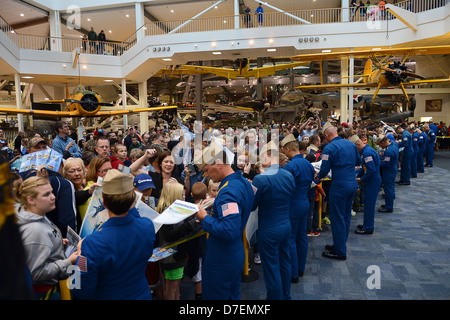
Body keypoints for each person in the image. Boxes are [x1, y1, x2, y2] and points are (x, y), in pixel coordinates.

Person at [72, 169, 155, 300]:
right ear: (133, 200)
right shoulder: (146, 226)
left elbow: (79, 288)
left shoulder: (91, 244)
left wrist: (80, 257)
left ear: (104, 203)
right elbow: (135, 217)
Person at [193, 140, 254, 300]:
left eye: (206, 170)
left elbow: (229, 230)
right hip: (234, 254)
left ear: (218, 163)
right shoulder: (241, 182)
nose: (206, 175)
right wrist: (215, 204)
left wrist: (204, 217)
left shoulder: (228, 192)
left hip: (222, 257)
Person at [14, 176, 80, 300]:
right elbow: (37, 274)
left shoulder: (36, 213)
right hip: (45, 293)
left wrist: (56, 243)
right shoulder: (35, 230)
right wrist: (68, 262)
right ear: (31, 200)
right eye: (46, 194)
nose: (53, 197)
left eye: (52, 191)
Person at [252, 141, 295, 299]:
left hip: (269, 228)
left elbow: (251, 205)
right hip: (285, 224)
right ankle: (286, 296)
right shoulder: (288, 175)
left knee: (271, 268)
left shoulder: (260, 179)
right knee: (284, 263)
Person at [317, 122, 361, 260]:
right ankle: (340, 244)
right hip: (351, 184)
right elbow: (358, 162)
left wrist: (317, 177)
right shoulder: (351, 144)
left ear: (326, 135)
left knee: (337, 218)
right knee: (346, 216)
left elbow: (324, 169)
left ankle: (340, 251)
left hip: (339, 186)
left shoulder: (329, 149)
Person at [19, 137, 77, 238]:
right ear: (28, 151)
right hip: (27, 233)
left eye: (44, 147)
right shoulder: (19, 178)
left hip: (54, 237)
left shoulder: (58, 178)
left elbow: (66, 220)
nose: (42, 151)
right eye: (37, 148)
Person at [156, 181, 200, 300]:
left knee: (175, 287)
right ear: (173, 195)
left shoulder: (170, 211)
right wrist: (191, 224)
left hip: (175, 256)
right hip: (172, 257)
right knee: (172, 288)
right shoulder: (167, 213)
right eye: (181, 195)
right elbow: (170, 235)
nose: (184, 197)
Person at [281, 134, 314, 281]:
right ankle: (300, 269)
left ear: (288, 149)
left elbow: (284, 188)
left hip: (293, 204)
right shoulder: (307, 163)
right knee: (302, 238)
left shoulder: (289, 166)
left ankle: (293, 273)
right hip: (304, 202)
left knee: (290, 239)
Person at [351, 135, 381, 234]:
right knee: (368, 205)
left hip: (372, 181)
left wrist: (361, 179)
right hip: (371, 180)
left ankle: (368, 228)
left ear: (358, 144)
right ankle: (366, 224)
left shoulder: (367, 153)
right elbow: (364, 167)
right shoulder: (366, 151)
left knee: (369, 205)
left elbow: (371, 170)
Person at [62, 158, 100, 228]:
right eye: (72, 171)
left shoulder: (84, 186)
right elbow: (76, 197)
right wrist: (89, 192)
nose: (76, 174)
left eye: (79, 170)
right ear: (65, 174)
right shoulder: (66, 190)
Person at [376, 135, 399, 213]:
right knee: (390, 187)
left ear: (383, 142)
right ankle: (388, 204)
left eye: (380, 144)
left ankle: (389, 206)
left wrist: (376, 162)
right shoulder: (393, 146)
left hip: (388, 171)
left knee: (388, 189)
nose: (380, 146)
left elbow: (386, 163)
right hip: (393, 169)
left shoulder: (388, 151)